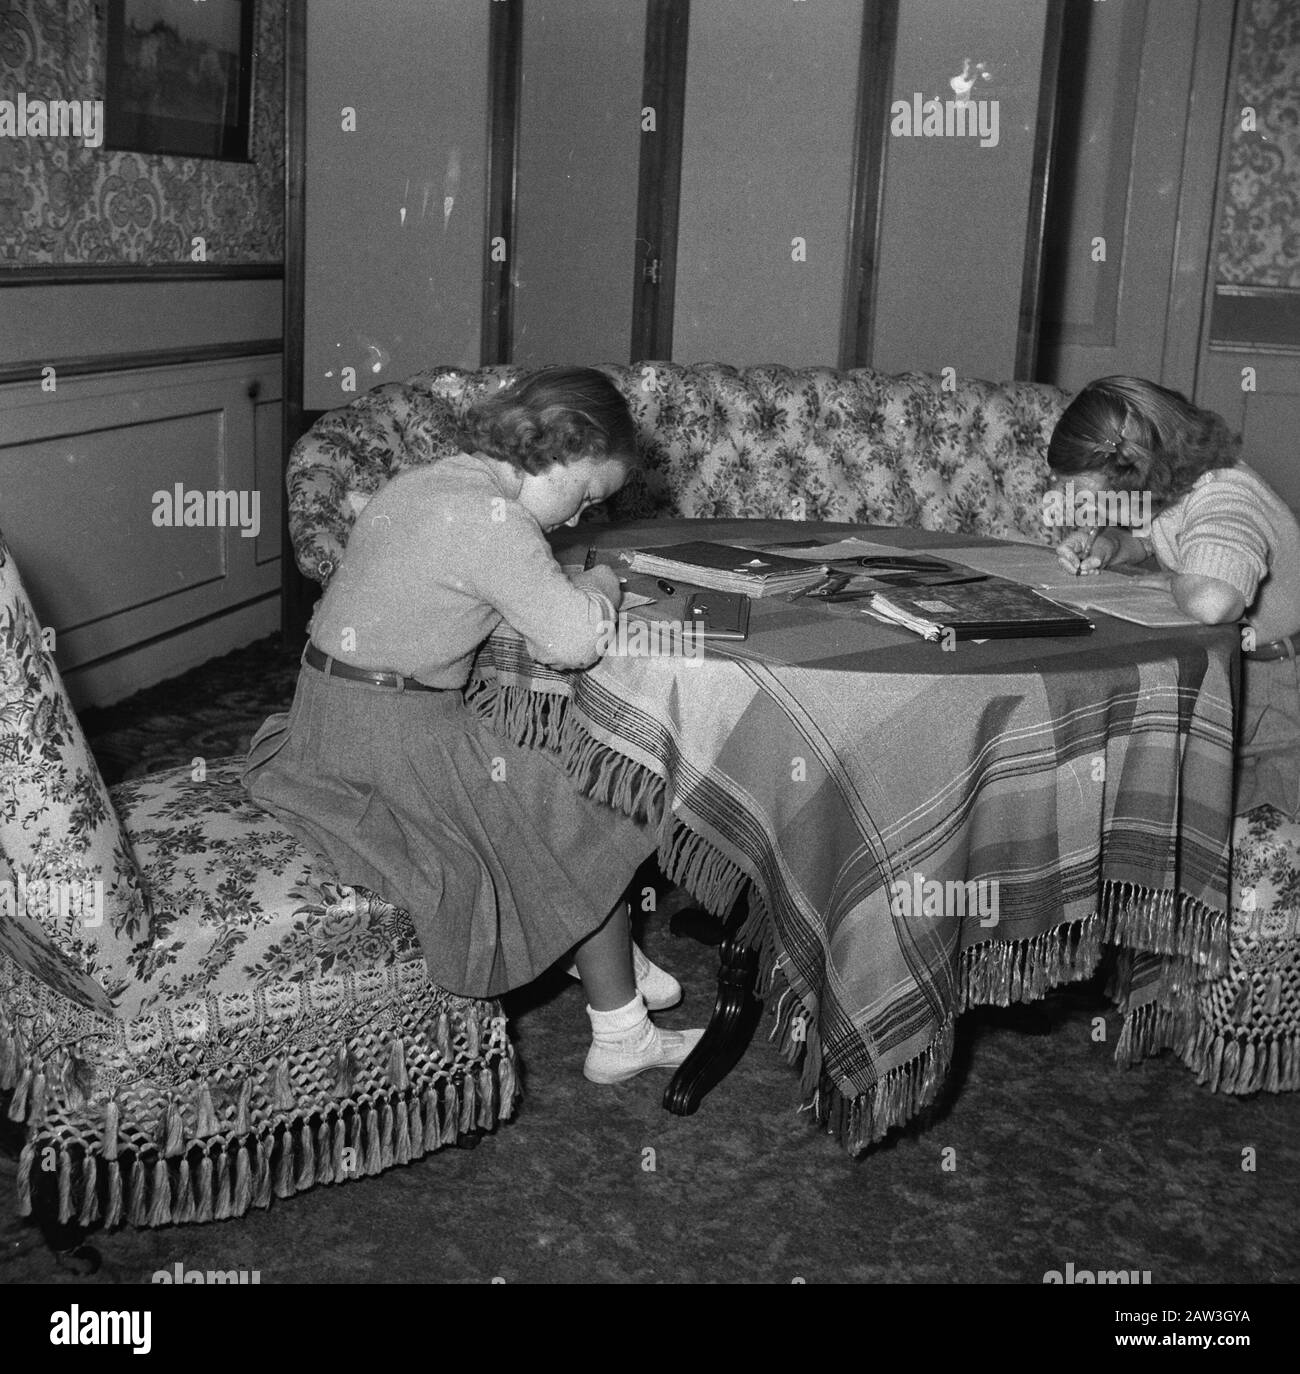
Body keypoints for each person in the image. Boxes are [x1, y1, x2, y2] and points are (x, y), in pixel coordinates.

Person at [244, 367, 703, 1082]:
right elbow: (573, 642)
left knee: (539, 778)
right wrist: (603, 584)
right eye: (586, 494)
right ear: (558, 450)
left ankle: (599, 952)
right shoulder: (497, 524)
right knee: (599, 804)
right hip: (393, 740)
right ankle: (621, 1033)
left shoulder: (426, 482)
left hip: (326, 717)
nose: (582, 517)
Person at [1048, 375, 1300, 817]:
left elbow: (1214, 600)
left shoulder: (1224, 496)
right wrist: (1107, 543)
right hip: (1245, 674)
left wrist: (1173, 581)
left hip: (1279, 696)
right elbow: (1152, 538)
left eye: (1089, 499)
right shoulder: (1175, 485)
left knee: (1150, 794)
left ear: (1137, 478)